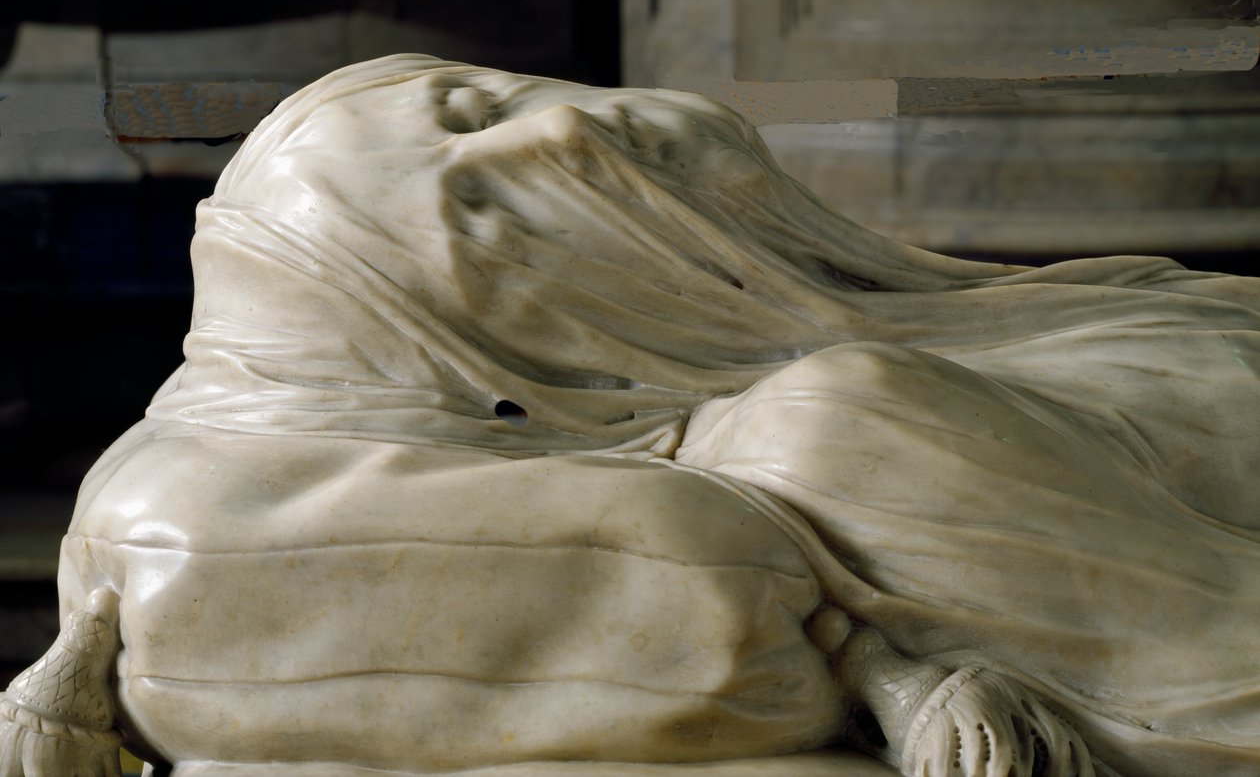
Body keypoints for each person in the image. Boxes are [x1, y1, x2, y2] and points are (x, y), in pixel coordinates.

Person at [4, 55, 1259, 777]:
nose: (566, 132)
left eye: (470, 105)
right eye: (481, 226)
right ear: (491, 363)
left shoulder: (978, 324)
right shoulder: (844, 437)